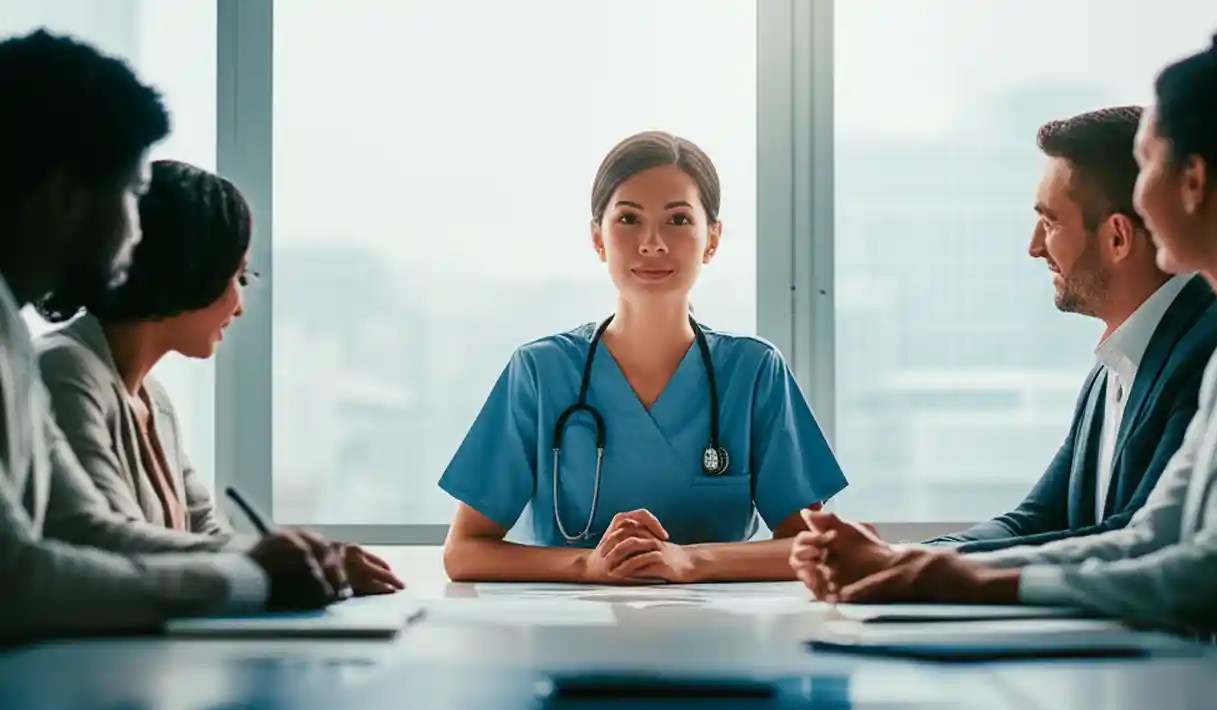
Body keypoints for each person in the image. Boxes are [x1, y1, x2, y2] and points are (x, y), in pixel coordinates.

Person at [791, 20, 1217, 659]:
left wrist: (965, 582)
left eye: (1147, 163)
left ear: (1192, 180)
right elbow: (1151, 535)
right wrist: (918, 565)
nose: (1137, 194)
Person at [0, 29, 340, 641]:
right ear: (66, 196)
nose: (137, 224)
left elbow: (84, 528)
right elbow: (18, 578)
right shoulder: (58, 366)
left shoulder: (12, 342)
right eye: (131, 194)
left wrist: (282, 563)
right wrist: (252, 579)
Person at [440, 131, 847, 583]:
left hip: (719, 634)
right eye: (629, 219)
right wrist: (587, 565)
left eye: (677, 220)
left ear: (712, 239)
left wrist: (691, 561)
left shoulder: (753, 372)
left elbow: (815, 546)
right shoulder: (539, 372)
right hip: (569, 633)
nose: (652, 242)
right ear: (598, 238)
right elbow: (463, 552)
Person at [35, 159, 404, 596]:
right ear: (191, 267)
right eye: (239, 277)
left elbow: (206, 534)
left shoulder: (155, 398)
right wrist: (269, 563)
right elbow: (105, 539)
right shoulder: (64, 371)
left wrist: (312, 561)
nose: (240, 305)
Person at [923, 108, 1217, 553]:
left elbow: (1134, 541)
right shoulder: (1117, 360)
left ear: (1118, 239)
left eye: (1050, 223)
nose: (1033, 248)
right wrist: (901, 559)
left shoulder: (1209, 353)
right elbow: (1035, 519)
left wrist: (925, 571)